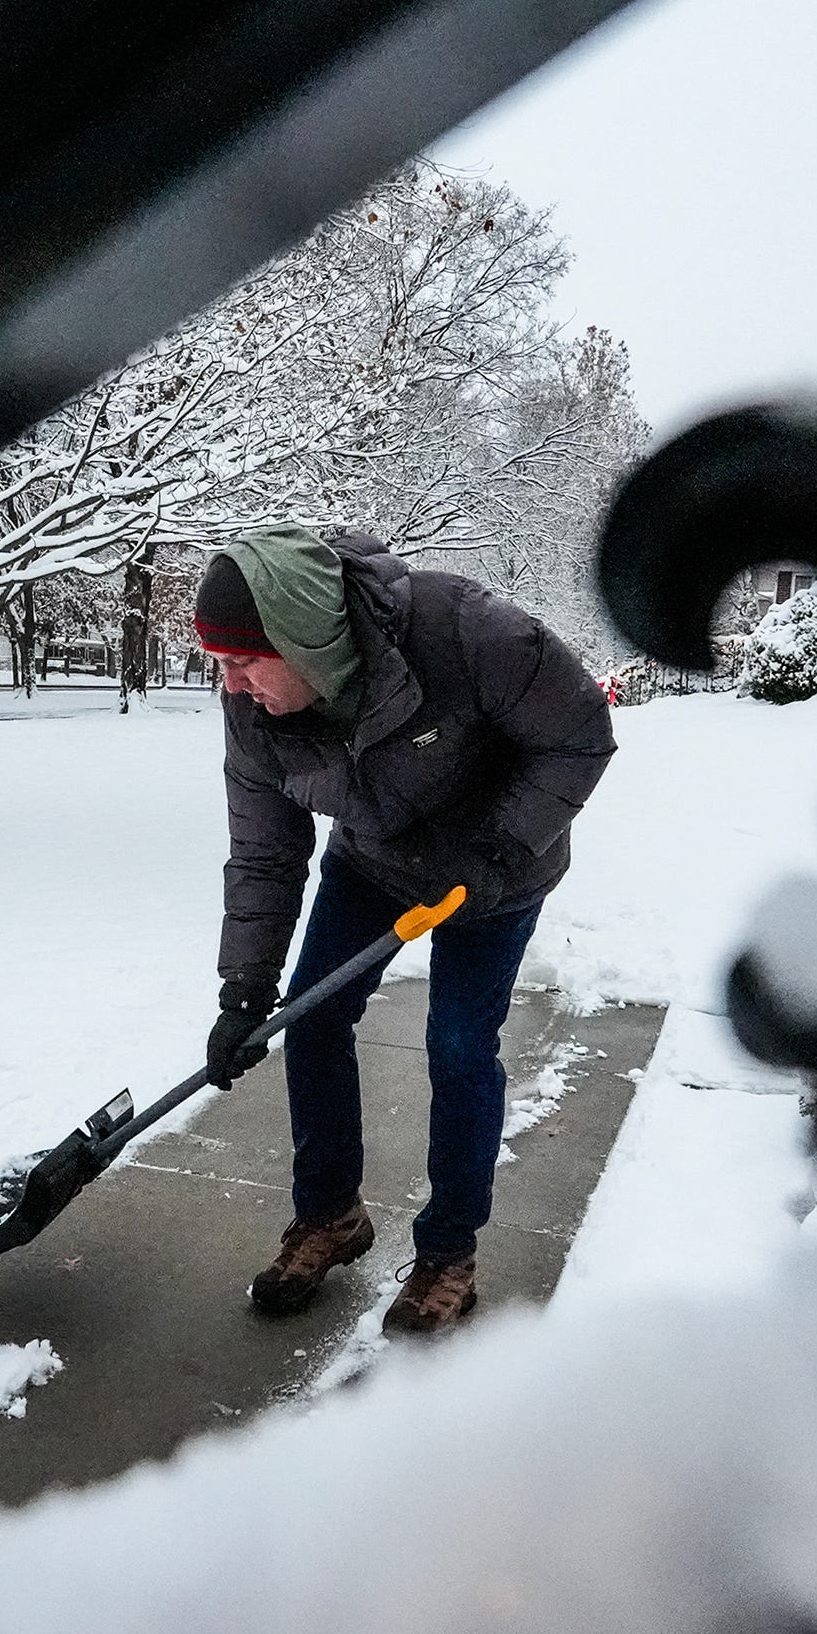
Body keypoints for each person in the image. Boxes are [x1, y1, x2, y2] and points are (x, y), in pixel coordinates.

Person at [194, 524, 615, 1335]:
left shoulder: (461, 628)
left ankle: (448, 1253)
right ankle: (330, 1215)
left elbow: (579, 732)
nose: (233, 684)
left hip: (495, 869)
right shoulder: (252, 712)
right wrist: (245, 989)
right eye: (221, 665)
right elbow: (264, 849)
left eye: (245, 661)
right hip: (376, 859)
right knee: (313, 1019)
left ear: (302, 639)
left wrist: (498, 847)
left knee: (458, 1044)